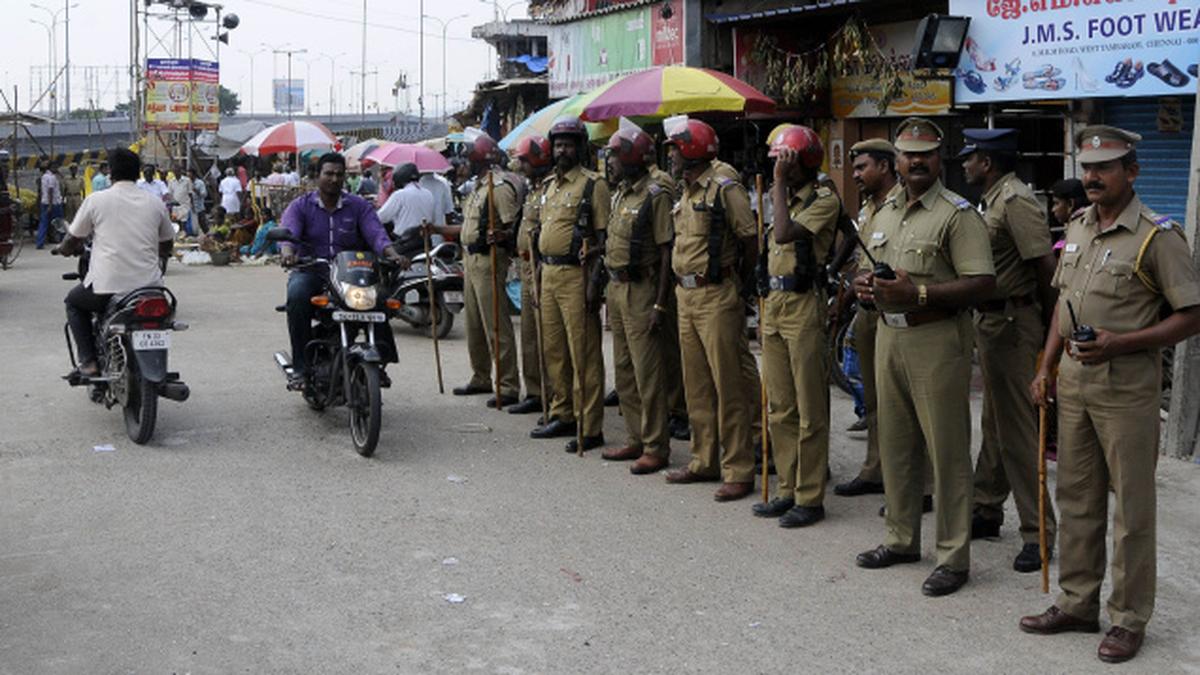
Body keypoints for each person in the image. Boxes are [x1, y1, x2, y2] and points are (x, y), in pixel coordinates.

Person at [1020, 126, 1200, 664]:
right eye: (1088, 167)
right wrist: (1046, 366)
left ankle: (1127, 618)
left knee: (1132, 510)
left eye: (1107, 167)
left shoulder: (1156, 236)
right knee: (1076, 500)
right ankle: (1077, 602)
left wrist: (1121, 342)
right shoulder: (1075, 227)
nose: (1093, 177)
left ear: (1132, 172)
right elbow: (1062, 306)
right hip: (1074, 389)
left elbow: (1191, 316)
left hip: (1127, 393)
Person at [852, 117, 995, 597]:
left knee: (947, 451)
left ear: (939, 160)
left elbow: (982, 283)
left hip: (936, 339)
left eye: (926, 154)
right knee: (895, 446)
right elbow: (867, 267)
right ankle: (900, 539)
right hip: (887, 337)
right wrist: (864, 286)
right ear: (896, 160)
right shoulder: (882, 211)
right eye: (908, 155)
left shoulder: (958, 214)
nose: (916, 162)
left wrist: (920, 292)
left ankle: (954, 557)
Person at [958, 128, 1060, 573]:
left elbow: (1046, 269)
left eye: (970, 157)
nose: (963, 164)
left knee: (1019, 430)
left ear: (988, 161)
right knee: (995, 422)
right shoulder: (993, 198)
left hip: (1017, 324)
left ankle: (1039, 532)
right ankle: (985, 508)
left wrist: (1051, 338)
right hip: (994, 322)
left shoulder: (1015, 201)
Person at [660, 115, 759, 502]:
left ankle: (738, 468)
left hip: (716, 294)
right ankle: (704, 460)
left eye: (674, 151)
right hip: (686, 297)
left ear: (691, 151)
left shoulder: (723, 187)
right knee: (696, 385)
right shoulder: (685, 190)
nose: (670, 158)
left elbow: (749, 239)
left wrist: (737, 283)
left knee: (728, 384)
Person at [751, 125, 840, 526]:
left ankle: (809, 495)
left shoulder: (822, 200)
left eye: (785, 161)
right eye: (776, 161)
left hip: (804, 306)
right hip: (775, 304)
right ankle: (786, 487)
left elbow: (786, 234)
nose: (779, 167)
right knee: (780, 407)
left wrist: (778, 186)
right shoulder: (781, 197)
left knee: (809, 409)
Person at [278, 152, 407, 388]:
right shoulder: (301, 206)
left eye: (339, 174)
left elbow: (376, 234)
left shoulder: (358, 206)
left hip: (351, 271)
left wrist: (392, 254)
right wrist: (288, 252)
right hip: (312, 270)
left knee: (380, 300)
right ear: (317, 176)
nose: (334, 179)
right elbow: (289, 234)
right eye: (328, 173)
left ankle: (379, 361)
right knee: (296, 297)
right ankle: (301, 369)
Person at [52, 148, 174, 376]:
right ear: (138, 173)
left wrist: (62, 249)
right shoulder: (155, 202)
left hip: (107, 286)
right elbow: (167, 245)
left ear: (110, 173)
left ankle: (88, 362)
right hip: (150, 287)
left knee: (74, 303)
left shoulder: (96, 200)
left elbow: (72, 240)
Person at [597, 119, 675, 474]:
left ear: (631, 157)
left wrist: (660, 303)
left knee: (648, 372)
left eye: (614, 155)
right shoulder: (619, 194)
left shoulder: (655, 194)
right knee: (625, 369)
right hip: (617, 288)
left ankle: (656, 446)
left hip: (643, 289)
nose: (609, 162)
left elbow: (665, 252)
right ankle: (634, 437)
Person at [529, 116, 611, 452]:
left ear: (580, 148)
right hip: (548, 274)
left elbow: (604, 240)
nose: (562, 150)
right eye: (558, 144)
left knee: (584, 353)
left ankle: (590, 426)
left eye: (568, 144)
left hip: (577, 276)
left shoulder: (594, 185)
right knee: (554, 350)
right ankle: (563, 414)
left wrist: (595, 283)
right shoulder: (549, 186)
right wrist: (535, 282)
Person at [449, 129, 522, 408]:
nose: (463, 165)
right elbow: (468, 227)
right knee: (474, 325)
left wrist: (501, 235)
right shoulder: (478, 187)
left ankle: (508, 384)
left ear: (479, 159)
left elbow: (511, 226)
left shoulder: (499, 187)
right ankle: (481, 376)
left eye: (467, 159)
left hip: (489, 260)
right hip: (470, 260)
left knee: (495, 324)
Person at [509, 135, 553, 416]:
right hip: (525, 267)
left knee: (546, 337)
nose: (521, 166)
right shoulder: (531, 189)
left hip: (542, 268)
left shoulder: (549, 189)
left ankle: (553, 395)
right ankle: (535, 391)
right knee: (529, 336)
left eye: (525, 161)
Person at [376, 163, 436, 249]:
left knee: (382, 257)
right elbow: (432, 219)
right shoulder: (428, 193)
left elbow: (381, 217)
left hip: (405, 244)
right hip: (425, 241)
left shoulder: (399, 195)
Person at [36, 162, 64, 249]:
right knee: (59, 222)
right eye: (55, 167)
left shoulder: (44, 177)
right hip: (54, 203)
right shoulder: (51, 178)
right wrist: (51, 205)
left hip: (44, 202)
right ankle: (64, 241)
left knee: (43, 223)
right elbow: (50, 191)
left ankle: (40, 242)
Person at [168, 168, 197, 237]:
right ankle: (177, 237)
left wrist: (192, 205)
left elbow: (190, 193)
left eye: (178, 171)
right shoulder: (171, 181)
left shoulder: (187, 180)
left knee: (184, 222)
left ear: (181, 171)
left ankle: (184, 236)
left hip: (185, 204)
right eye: (175, 171)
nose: (176, 173)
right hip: (175, 205)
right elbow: (170, 194)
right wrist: (171, 204)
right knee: (176, 222)